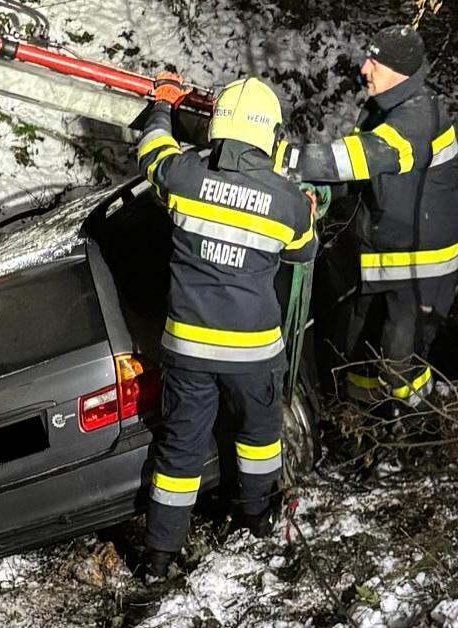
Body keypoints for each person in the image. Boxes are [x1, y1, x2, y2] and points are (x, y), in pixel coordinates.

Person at [137, 74, 318, 582]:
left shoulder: (184, 176)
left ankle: (159, 555)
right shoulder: (286, 201)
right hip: (254, 354)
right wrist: (304, 207)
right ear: (270, 134)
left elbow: (152, 152)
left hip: (188, 349)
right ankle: (255, 519)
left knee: (180, 450)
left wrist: (163, 105)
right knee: (259, 440)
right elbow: (303, 251)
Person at [285, 25, 458, 413]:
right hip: (381, 257)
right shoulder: (382, 111)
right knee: (357, 353)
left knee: (401, 364)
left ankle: (419, 427)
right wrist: (321, 191)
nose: (364, 68)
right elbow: (359, 176)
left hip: (420, 269)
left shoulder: (420, 116)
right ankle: (362, 427)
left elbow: (363, 158)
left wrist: (285, 158)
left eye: (374, 63)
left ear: (399, 71)